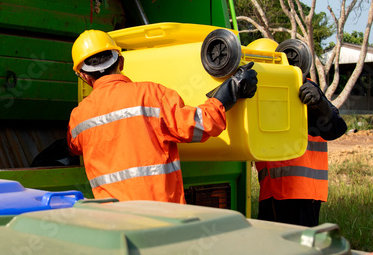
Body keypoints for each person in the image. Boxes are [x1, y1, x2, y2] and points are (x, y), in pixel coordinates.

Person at [68, 30, 258, 203]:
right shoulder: (152, 95)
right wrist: (231, 89)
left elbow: (73, 146)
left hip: (116, 224)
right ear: (121, 62)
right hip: (163, 217)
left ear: (84, 76)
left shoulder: (78, 118)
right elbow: (201, 125)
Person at [256, 79, 347, 227]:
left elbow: (337, 128)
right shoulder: (260, 86)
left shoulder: (304, 86)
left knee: (301, 246)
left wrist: (319, 104)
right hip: (270, 192)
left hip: (302, 194)